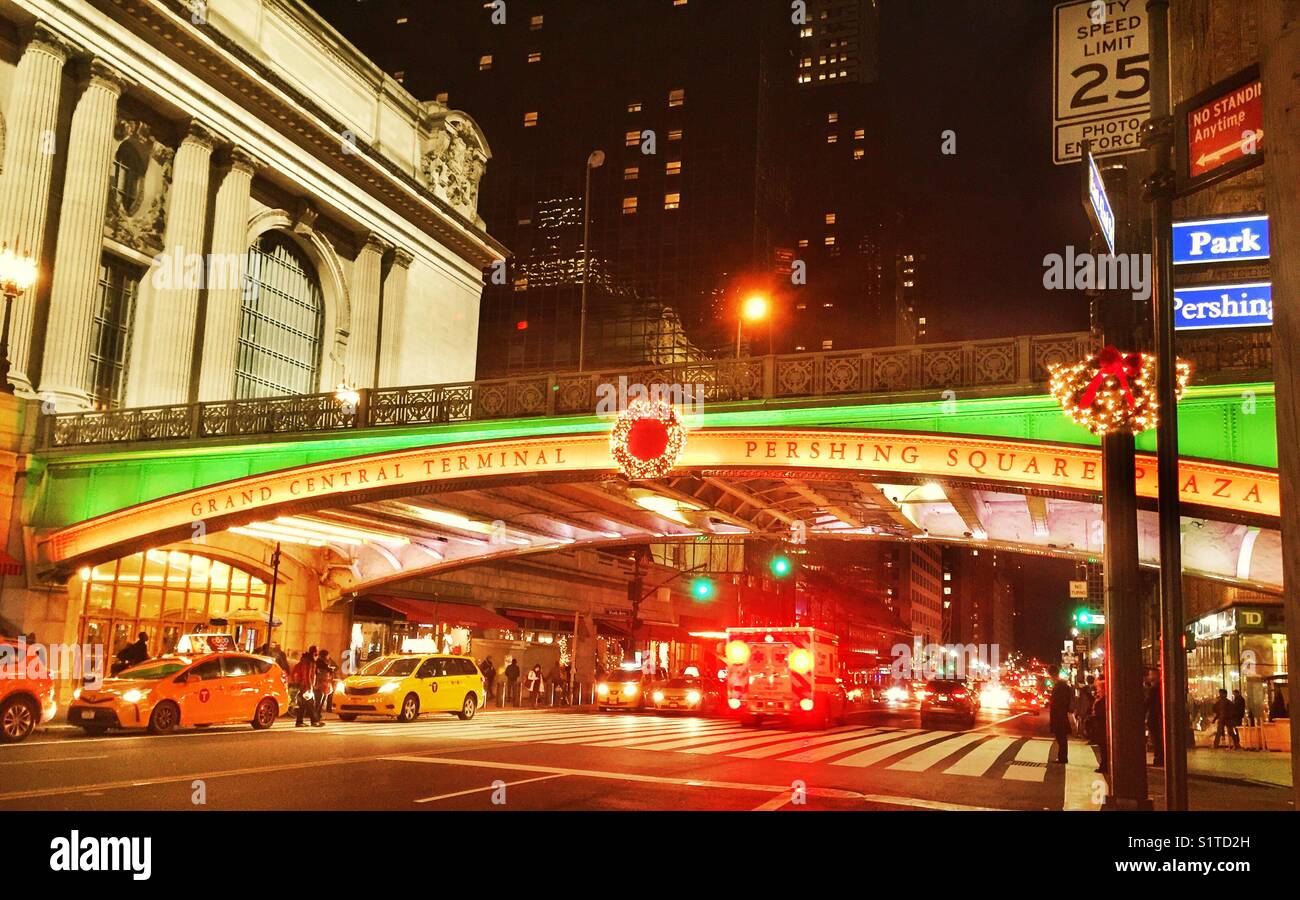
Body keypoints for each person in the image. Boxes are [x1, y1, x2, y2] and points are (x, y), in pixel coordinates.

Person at [292, 650, 323, 727]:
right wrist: (309, 687)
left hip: (304, 686)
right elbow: (307, 676)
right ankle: (314, 721)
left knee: (304, 705)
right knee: (309, 704)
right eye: (316, 654)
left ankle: (301, 721)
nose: (317, 657)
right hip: (306, 686)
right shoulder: (309, 663)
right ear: (313, 655)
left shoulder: (305, 662)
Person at [1049, 677, 1073, 764]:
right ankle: (1062, 757)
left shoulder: (1060, 687)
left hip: (1059, 716)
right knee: (1061, 738)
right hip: (1061, 715)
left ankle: (1062, 758)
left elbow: (1059, 702)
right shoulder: (1062, 687)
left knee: (1061, 737)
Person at [1144, 670, 1164, 767]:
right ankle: (1160, 757)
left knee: (1156, 739)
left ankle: (1158, 757)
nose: (1149, 676)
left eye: (1151, 674)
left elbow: (1147, 704)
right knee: (1158, 739)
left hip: (1154, 718)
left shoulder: (1153, 689)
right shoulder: (1161, 688)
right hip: (1158, 717)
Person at [1089, 675, 1108, 774]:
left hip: (1101, 726)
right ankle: (1104, 764)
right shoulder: (1101, 699)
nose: (1097, 690)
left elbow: (1099, 713)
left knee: (1104, 747)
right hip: (1100, 725)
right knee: (1103, 747)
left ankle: (1104, 765)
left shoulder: (1103, 700)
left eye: (1099, 688)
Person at [316, 650, 337, 715]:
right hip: (321, 682)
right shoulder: (320, 662)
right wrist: (330, 669)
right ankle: (317, 713)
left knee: (322, 697)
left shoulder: (327, 661)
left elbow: (335, 667)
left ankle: (318, 712)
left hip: (324, 682)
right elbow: (327, 669)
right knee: (319, 698)